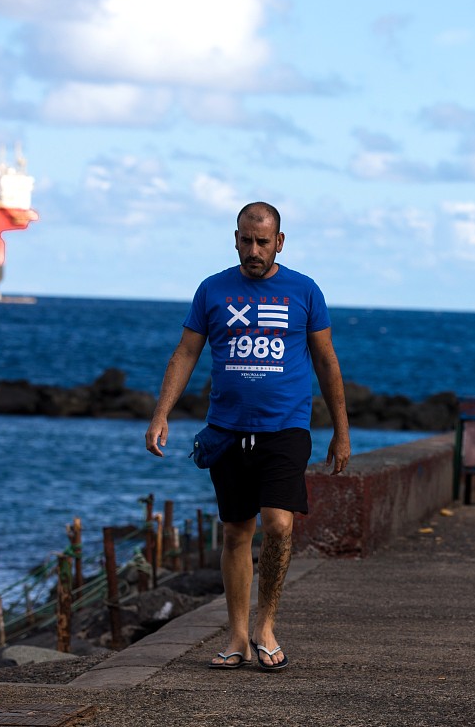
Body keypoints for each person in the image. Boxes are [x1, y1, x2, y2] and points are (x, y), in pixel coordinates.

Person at [145, 201, 350, 672]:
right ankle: (237, 635)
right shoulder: (212, 290)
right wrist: (161, 415)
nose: (253, 250)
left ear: (279, 242)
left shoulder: (304, 290)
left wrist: (341, 431)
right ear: (234, 238)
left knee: (279, 524)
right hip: (227, 430)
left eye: (263, 241)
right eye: (246, 240)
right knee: (236, 531)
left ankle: (265, 625)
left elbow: (326, 361)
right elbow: (185, 353)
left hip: (286, 427)